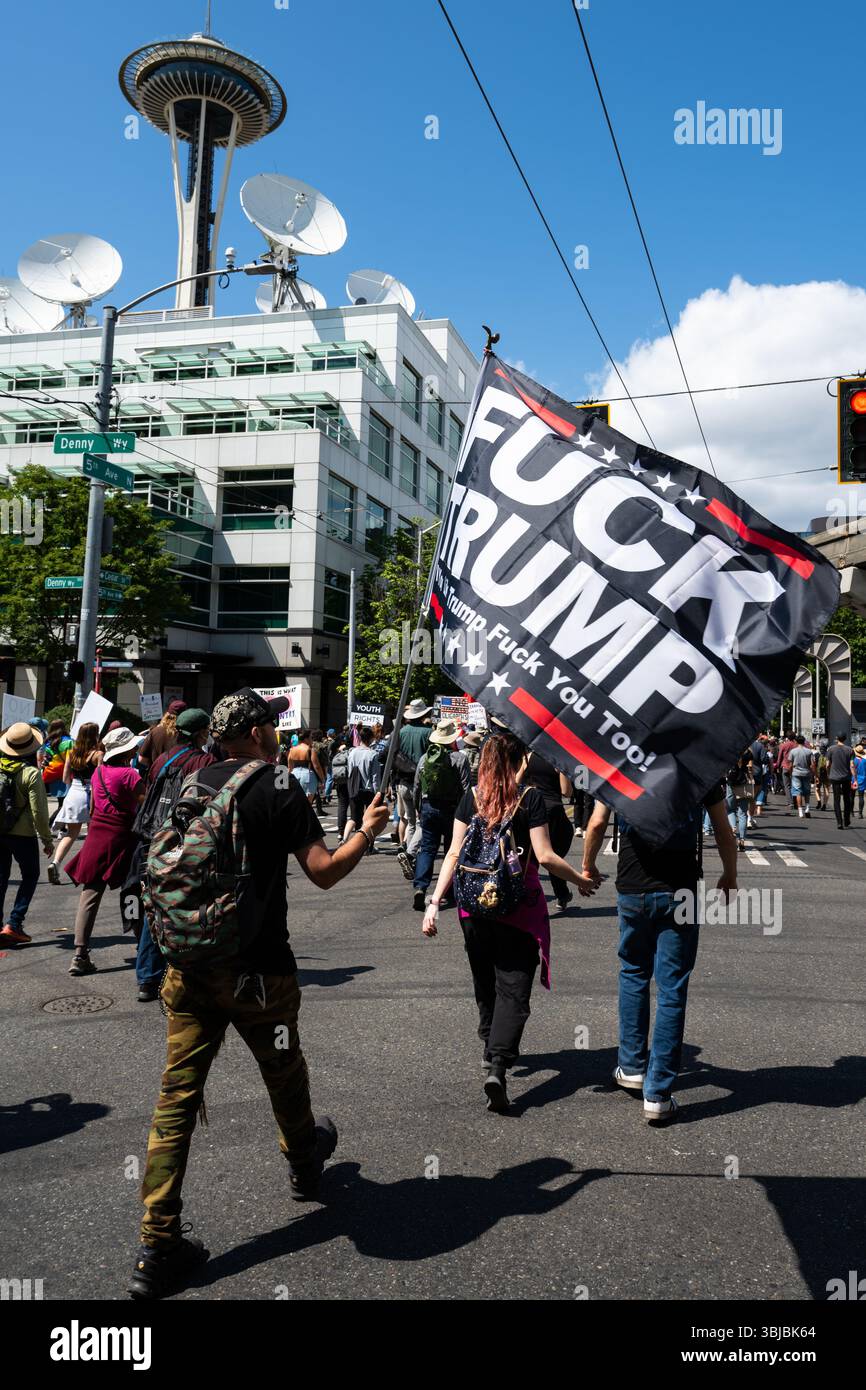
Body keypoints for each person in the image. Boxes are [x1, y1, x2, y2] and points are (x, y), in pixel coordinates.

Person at [129, 686, 390, 1300]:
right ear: (254, 731)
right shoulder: (276, 785)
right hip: (260, 976)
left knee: (176, 1100)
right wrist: (368, 832)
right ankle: (303, 1162)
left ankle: (157, 1244)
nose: (277, 732)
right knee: (283, 1071)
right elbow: (323, 871)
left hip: (189, 969)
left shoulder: (186, 780)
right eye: (270, 724)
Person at [421, 730, 597, 1112]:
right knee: (513, 987)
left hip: (472, 908)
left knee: (485, 980)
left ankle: (489, 1045)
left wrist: (434, 902)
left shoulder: (470, 799)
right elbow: (546, 857)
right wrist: (580, 879)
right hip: (519, 907)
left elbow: (452, 853)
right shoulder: (529, 799)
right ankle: (498, 1065)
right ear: (521, 762)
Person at [583, 786, 738, 1124]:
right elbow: (723, 830)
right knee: (672, 988)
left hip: (633, 883)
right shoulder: (701, 765)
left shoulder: (622, 759)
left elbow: (596, 824)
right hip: (680, 886)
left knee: (633, 972)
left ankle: (633, 1066)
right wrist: (729, 874)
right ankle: (658, 1093)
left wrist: (587, 866)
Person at [133, 709, 215, 1003]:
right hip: (181, 840)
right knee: (185, 904)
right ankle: (183, 972)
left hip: (151, 839)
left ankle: (146, 977)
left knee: (153, 906)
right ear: (201, 732)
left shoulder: (161, 759)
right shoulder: (202, 760)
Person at [64, 727, 145, 976]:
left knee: (90, 895)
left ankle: (79, 954)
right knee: (131, 892)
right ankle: (140, 941)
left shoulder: (98, 771)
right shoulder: (131, 775)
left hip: (97, 837)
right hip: (124, 838)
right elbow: (147, 804)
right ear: (127, 750)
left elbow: (94, 805)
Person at [0, 722, 53, 946]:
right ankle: (14, 923)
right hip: (23, 835)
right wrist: (47, 840)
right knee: (30, 876)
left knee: (0, 878)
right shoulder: (31, 773)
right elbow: (39, 812)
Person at [411, 719, 470, 911]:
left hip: (428, 807)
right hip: (453, 809)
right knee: (451, 851)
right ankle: (449, 891)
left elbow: (417, 787)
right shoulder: (459, 758)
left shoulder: (424, 759)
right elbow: (466, 787)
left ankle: (420, 887)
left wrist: (418, 807)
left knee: (427, 848)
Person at [517, 749, 576, 911]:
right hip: (553, 809)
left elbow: (516, 781)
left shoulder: (527, 756)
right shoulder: (558, 757)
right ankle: (562, 895)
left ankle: (524, 895)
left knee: (531, 856)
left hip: (530, 807)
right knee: (553, 854)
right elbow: (566, 791)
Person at [48, 722, 101, 883]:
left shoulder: (72, 752)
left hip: (74, 792)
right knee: (93, 834)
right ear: (95, 735)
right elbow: (100, 779)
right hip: (90, 794)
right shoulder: (97, 754)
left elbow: (65, 778)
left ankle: (55, 863)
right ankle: (85, 869)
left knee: (71, 834)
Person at [393, 698, 432, 881]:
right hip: (421, 783)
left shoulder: (401, 732)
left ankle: (408, 851)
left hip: (402, 781)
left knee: (410, 821)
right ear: (423, 714)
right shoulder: (428, 733)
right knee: (423, 821)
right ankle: (410, 853)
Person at [38, 718, 73, 824]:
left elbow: (42, 758)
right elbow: (70, 761)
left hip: (49, 774)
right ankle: (50, 824)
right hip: (64, 776)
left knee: (57, 803)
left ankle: (61, 828)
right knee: (64, 804)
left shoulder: (47, 741)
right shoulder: (69, 742)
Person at [137, 702, 187, 773]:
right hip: (178, 777)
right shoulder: (185, 734)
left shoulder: (155, 731)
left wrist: (155, 766)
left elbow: (141, 759)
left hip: (155, 776)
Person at [725, 749, 754, 849]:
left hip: (732, 782)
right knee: (742, 813)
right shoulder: (748, 754)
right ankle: (742, 840)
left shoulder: (731, 751)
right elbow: (750, 767)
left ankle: (733, 828)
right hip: (744, 783)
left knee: (730, 810)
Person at [287, 731, 324, 807]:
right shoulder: (310, 750)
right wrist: (322, 779)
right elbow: (317, 766)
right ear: (306, 739)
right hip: (307, 775)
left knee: (296, 802)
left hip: (294, 774)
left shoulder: (292, 749)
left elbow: (289, 767)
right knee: (307, 804)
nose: (312, 740)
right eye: (310, 738)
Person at [827, 731, 855, 829]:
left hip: (834, 777)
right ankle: (846, 819)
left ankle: (839, 822)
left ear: (836, 738)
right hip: (846, 777)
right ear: (845, 738)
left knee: (836, 799)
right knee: (846, 799)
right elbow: (852, 765)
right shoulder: (850, 750)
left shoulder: (830, 749)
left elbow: (827, 764)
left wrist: (828, 773)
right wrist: (854, 778)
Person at [789, 734, 814, 819]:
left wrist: (790, 772)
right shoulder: (809, 751)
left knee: (797, 791)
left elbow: (790, 764)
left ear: (796, 742)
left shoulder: (793, 751)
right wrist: (814, 774)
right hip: (806, 773)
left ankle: (800, 811)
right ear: (804, 742)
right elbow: (812, 764)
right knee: (807, 791)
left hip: (796, 773)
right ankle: (807, 808)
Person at [329, 739, 351, 838]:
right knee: (354, 807)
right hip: (349, 782)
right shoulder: (350, 754)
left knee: (342, 806)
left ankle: (340, 831)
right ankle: (358, 828)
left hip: (340, 783)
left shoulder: (335, 756)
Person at [775, 730, 798, 814]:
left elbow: (779, 757)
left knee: (787, 785)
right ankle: (796, 802)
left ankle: (790, 803)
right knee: (795, 785)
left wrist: (777, 766)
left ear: (787, 737)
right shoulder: (796, 745)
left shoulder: (783, 745)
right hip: (795, 767)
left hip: (785, 767)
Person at [852, 742, 866, 818]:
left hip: (854, 779)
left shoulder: (853, 761)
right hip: (863, 779)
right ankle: (860, 813)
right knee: (861, 796)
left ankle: (851, 812)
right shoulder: (865, 761)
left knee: (852, 796)